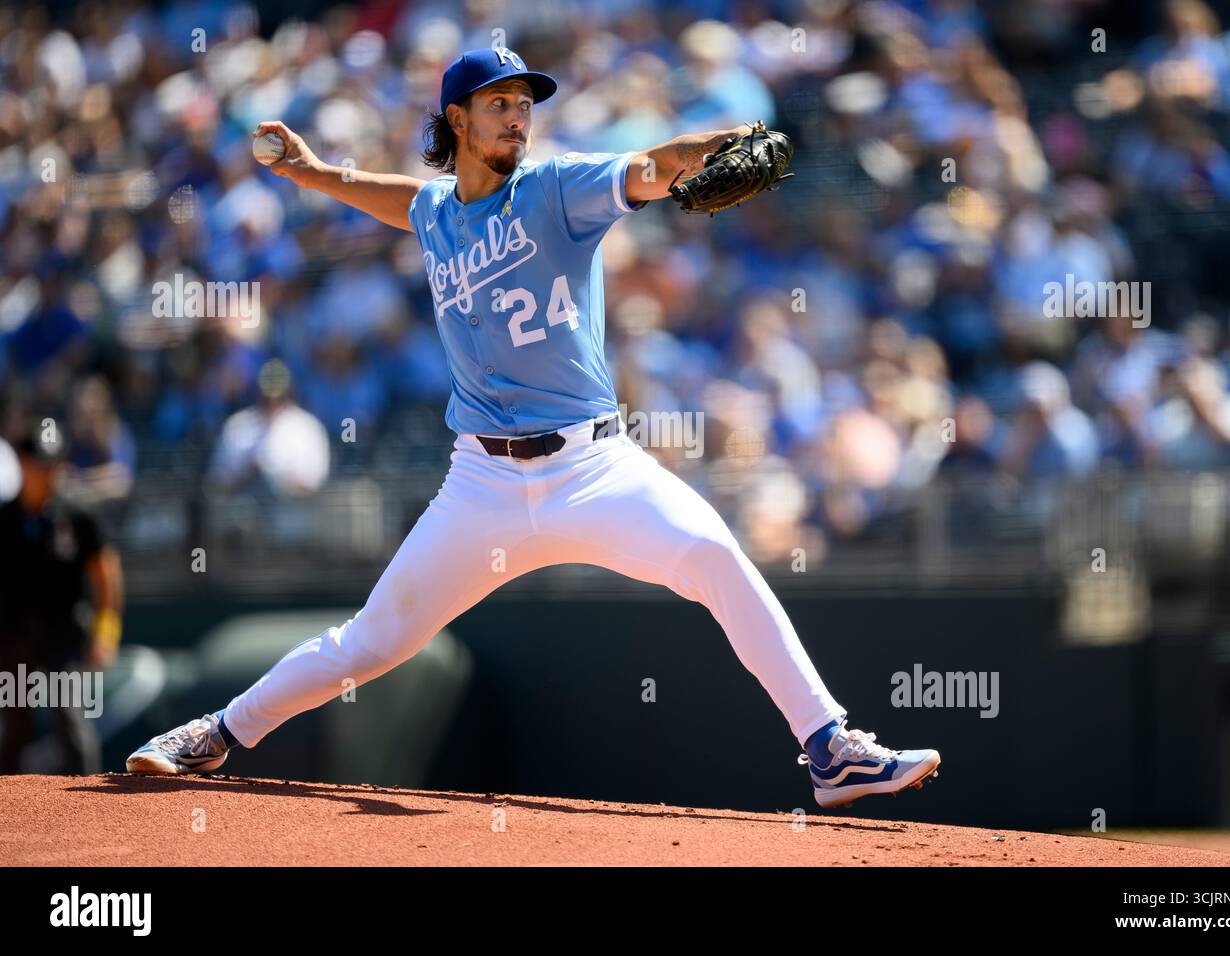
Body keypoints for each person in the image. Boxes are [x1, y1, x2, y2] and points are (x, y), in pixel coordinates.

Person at [126, 48, 940, 808]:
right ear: (457, 120)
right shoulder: (436, 212)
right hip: (481, 483)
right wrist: (311, 172)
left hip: (595, 469)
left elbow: (653, 165)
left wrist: (727, 141)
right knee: (370, 643)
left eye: (525, 104)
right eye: (500, 104)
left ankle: (829, 749)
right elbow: (394, 198)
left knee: (715, 555)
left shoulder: (556, 189)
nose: (519, 116)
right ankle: (218, 734)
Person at [0, 427, 123, 774]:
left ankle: (87, 809)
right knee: (13, 729)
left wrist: (106, 632)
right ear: (23, 465)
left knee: (70, 719)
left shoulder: (76, 514)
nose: (49, 473)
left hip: (63, 634)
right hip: (13, 636)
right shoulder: (5, 519)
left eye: (54, 464)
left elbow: (105, 575)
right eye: (40, 464)